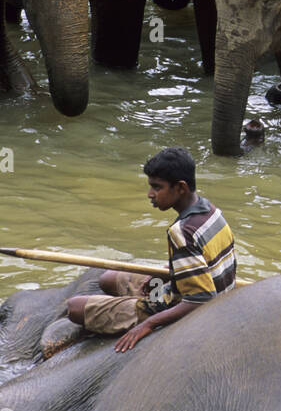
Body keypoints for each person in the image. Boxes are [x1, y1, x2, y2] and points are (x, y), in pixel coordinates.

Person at [65, 147, 235, 352]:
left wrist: (149, 323)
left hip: (176, 304)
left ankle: (138, 309)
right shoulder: (211, 210)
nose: (150, 194)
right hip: (186, 289)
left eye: (157, 187)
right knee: (107, 279)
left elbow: (200, 299)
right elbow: (202, 261)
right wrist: (165, 274)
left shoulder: (181, 232)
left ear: (180, 188)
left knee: (74, 308)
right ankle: (138, 298)